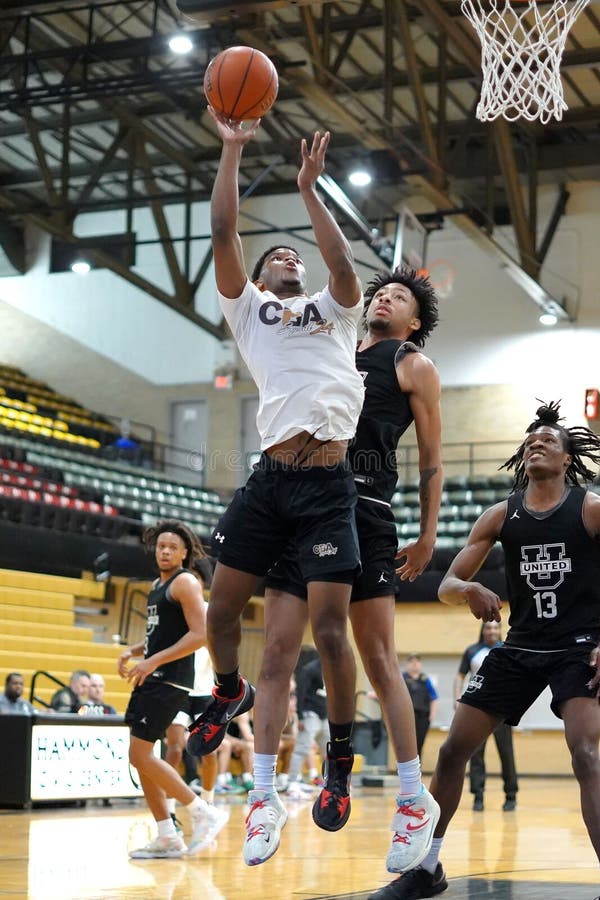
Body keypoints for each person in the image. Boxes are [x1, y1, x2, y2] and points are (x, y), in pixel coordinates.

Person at [188, 111, 366, 856]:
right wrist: (232, 149)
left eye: (297, 253)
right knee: (223, 616)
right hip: (270, 483)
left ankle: (340, 760)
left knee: (327, 633)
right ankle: (227, 689)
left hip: (327, 487)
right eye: (279, 254)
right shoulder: (252, 313)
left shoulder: (334, 310)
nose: (290, 255)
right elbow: (224, 232)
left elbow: (344, 265)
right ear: (261, 281)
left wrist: (309, 193)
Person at [368, 400, 600, 899]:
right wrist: (468, 589)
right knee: (452, 752)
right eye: (531, 440)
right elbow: (446, 585)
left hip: (580, 648)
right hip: (522, 647)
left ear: (565, 460)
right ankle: (426, 869)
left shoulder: (590, 508)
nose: (537, 443)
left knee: (586, 753)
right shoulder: (501, 514)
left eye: (549, 441)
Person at [251, 265, 443, 869]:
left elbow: (432, 459)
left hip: (364, 508)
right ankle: (265, 794)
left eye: (399, 297)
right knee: (276, 650)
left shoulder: (412, 364)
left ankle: (413, 798)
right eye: (380, 291)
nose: (384, 297)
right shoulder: (329, 337)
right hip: (299, 500)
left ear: (413, 321)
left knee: (378, 657)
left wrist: (428, 534)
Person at [118, 519, 225, 859]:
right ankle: (167, 834)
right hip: (154, 676)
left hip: (170, 679)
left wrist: (151, 662)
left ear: (184, 553)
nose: (164, 551)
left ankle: (201, 811)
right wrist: (136, 651)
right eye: (160, 546)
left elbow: (200, 634)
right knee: (141, 759)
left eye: (172, 547)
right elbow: (161, 634)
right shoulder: (157, 584)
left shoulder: (185, 582)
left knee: (141, 755)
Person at [163, 558, 229, 844]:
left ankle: (209, 804)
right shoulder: (173, 612)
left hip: (204, 692)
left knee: (210, 752)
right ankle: (170, 814)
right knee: (174, 748)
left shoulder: (211, 614)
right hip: (178, 688)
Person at [456, 622, 518, 811]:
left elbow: (517, 677)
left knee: (506, 753)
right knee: (476, 755)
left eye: (495, 628)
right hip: (477, 708)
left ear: (500, 631)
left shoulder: (507, 649)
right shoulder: (472, 651)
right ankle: (478, 796)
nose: (492, 631)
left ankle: (510, 795)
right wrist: (456, 699)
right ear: (483, 631)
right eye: (488, 628)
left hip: (502, 709)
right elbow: (460, 676)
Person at [284, 653, 328, 798]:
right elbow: (300, 693)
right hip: (310, 714)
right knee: (302, 748)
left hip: (325, 715)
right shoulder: (310, 669)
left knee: (329, 751)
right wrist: (301, 716)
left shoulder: (332, 667)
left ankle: (330, 782)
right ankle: (292, 783)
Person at [402, 654, 439, 757]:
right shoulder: (401, 678)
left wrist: (432, 715)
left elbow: (434, 698)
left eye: (417, 661)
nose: (414, 663)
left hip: (423, 717)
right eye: (411, 661)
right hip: (406, 717)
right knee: (405, 744)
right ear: (407, 664)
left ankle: (417, 770)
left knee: (419, 743)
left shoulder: (425, 679)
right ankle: (404, 770)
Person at [275, 678, 299, 793]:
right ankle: (271, 777)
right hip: (273, 739)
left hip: (283, 740)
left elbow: (295, 735)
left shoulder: (293, 715)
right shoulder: (276, 707)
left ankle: (284, 777)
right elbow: (274, 733)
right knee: (277, 745)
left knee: (294, 744)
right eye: (292, 700)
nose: (295, 702)